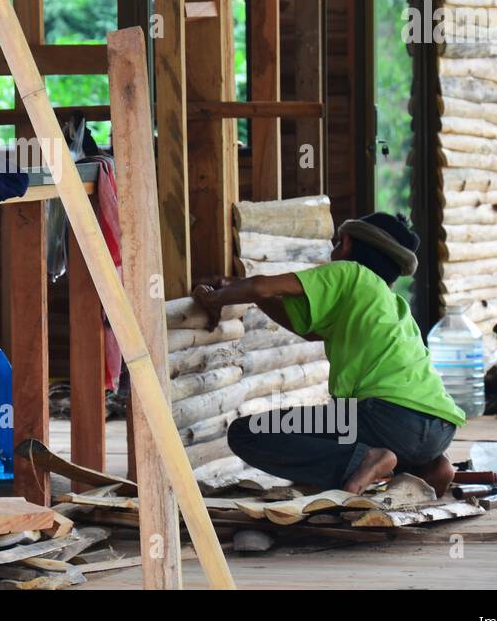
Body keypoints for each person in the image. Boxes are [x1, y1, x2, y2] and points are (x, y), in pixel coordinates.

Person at [193, 212, 465, 497]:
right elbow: (309, 331)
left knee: (248, 432)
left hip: (387, 420)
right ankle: (432, 467)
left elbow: (261, 284)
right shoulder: (394, 305)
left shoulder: (349, 273)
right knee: (358, 430)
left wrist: (214, 297)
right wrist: (252, 296)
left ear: (345, 244)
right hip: (438, 429)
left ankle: (366, 460)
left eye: (336, 244)